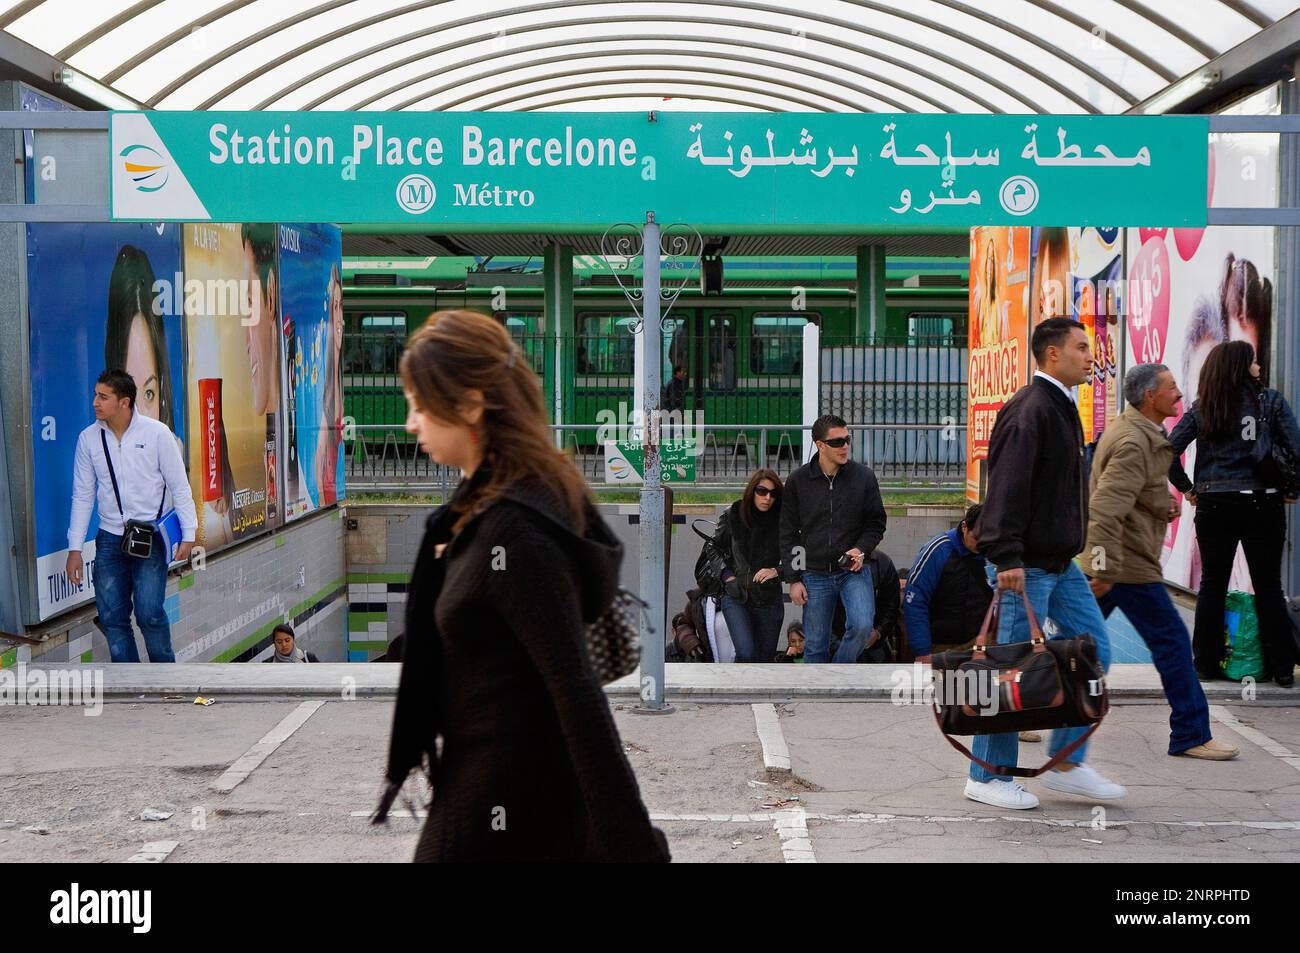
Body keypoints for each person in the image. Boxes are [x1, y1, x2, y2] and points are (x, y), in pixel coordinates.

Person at [376, 309, 668, 862]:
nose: (411, 422)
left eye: (419, 403)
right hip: (489, 797)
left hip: (502, 815)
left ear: (468, 405)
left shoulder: (517, 533)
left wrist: (634, 851)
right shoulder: (478, 514)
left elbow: (578, 696)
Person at [969, 317, 1125, 810]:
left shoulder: (1059, 405)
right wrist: (1007, 556)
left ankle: (1066, 763)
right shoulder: (1031, 408)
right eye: (1081, 347)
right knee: (1012, 669)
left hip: (1059, 565)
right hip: (1026, 566)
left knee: (1093, 650)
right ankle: (987, 776)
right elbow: (1007, 488)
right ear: (1053, 354)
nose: (1089, 355)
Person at [1087, 364, 1238, 760]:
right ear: (1150, 396)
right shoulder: (1135, 441)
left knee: (1074, 642)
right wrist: (1102, 568)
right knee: (1171, 643)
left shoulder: (1144, 434)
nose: (1179, 394)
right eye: (1172, 388)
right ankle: (1191, 733)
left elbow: (1130, 493)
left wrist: (1162, 503)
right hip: (1126, 566)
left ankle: (1020, 710)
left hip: (1120, 561)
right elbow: (1105, 507)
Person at [1169, 340, 1300, 687]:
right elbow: (1296, 449)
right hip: (1263, 502)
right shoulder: (1269, 402)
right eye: (1254, 361)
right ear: (1242, 366)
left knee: (1212, 582)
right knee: (1268, 584)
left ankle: (1206, 664)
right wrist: (1289, 490)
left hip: (1215, 504)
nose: (1259, 367)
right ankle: (1282, 667)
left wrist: (1188, 489)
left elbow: (1168, 450)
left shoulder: (1205, 406)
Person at [65, 370, 196, 663]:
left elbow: (179, 486)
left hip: (150, 537)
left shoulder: (157, 434)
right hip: (110, 538)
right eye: (95, 395)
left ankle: (164, 677)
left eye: (103, 396)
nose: (95, 402)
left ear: (124, 402)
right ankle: (131, 684)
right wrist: (75, 548)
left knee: (149, 613)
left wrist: (188, 533)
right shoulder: (89, 439)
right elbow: (83, 495)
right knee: (112, 616)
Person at [780, 414, 888, 663]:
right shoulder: (798, 481)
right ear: (820, 445)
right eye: (838, 442)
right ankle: (816, 700)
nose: (845, 446)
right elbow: (788, 533)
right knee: (815, 645)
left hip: (853, 570)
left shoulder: (864, 477)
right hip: (814, 573)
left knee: (861, 626)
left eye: (847, 439)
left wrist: (860, 549)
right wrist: (793, 579)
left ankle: (839, 670)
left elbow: (876, 523)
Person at [904, 504, 993, 661]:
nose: (982, 545)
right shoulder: (937, 550)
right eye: (976, 538)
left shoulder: (997, 551)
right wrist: (922, 651)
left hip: (981, 643)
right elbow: (915, 601)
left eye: (987, 539)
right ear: (964, 526)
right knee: (944, 686)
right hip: (941, 647)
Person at [714, 469, 785, 663]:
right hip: (737, 594)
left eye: (773, 493)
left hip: (769, 598)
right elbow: (713, 551)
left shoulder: (784, 520)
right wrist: (727, 576)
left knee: (763, 660)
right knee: (746, 653)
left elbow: (799, 557)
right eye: (761, 491)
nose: (767, 497)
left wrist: (777, 571)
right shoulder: (733, 515)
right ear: (752, 491)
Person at [829, 548, 901, 662]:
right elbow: (820, 609)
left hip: (873, 648)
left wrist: (878, 632)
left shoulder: (882, 563)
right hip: (834, 645)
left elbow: (891, 604)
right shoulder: (827, 561)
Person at [314, 262, 345, 506]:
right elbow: (318, 464)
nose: (339, 316)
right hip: (330, 497)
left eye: (341, 305)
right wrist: (326, 502)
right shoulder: (327, 403)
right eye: (334, 307)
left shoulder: (337, 391)